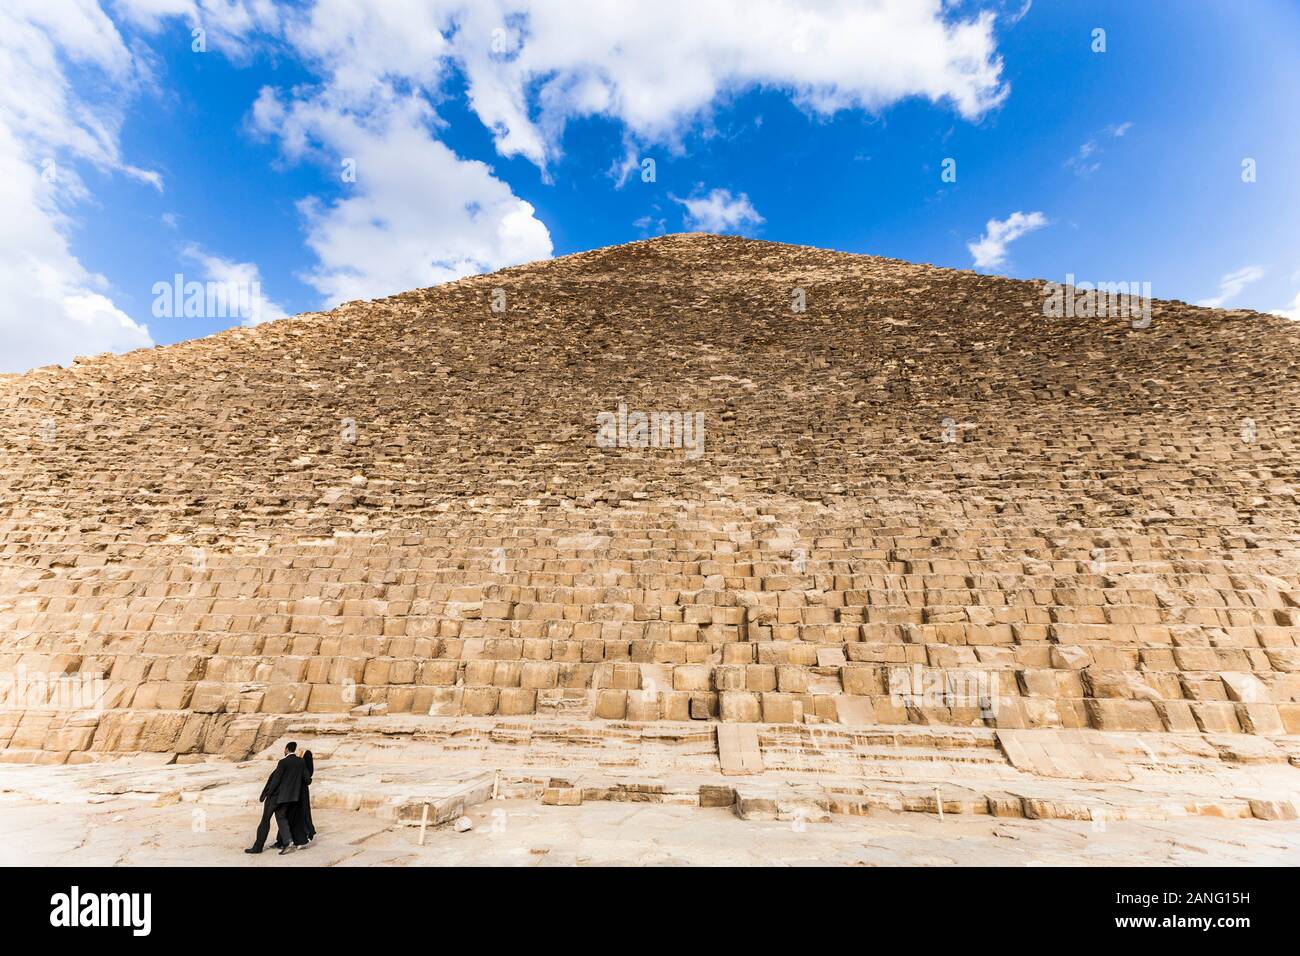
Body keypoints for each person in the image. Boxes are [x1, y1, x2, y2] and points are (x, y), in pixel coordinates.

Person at [245, 741, 310, 855]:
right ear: (294, 750)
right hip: (289, 799)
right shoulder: (301, 762)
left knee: (265, 820)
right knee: (281, 817)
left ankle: (258, 847)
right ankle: (288, 841)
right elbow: (308, 780)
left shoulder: (283, 762)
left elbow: (276, 780)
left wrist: (268, 794)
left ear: (286, 749)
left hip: (276, 797)